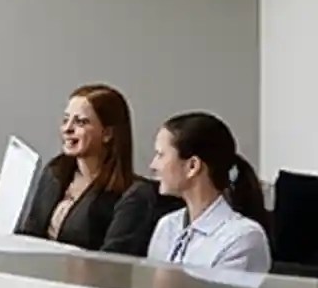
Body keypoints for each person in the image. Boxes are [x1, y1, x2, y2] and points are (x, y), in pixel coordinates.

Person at [16, 84, 158, 254]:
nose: (67, 129)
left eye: (81, 122)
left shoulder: (133, 195)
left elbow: (114, 260)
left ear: (107, 133)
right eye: (65, 120)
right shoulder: (56, 171)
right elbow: (30, 234)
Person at [147, 112, 272, 273]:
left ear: (192, 166)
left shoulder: (242, 237)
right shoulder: (167, 226)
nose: (153, 165)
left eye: (160, 155)